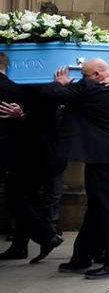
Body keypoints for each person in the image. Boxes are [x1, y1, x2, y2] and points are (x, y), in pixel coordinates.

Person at [40, 58, 109, 279]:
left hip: (104, 158)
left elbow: (48, 94)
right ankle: (82, 257)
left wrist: (60, 83)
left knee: (108, 209)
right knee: (100, 207)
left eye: (85, 74)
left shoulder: (88, 88)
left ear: (98, 75)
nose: (82, 78)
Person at [0, 53, 64, 263]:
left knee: (18, 199)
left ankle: (46, 236)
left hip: (23, 154)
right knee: (21, 198)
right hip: (27, 154)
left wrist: (24, 115)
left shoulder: (20, 88)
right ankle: (22, 245)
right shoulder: (23, 88)